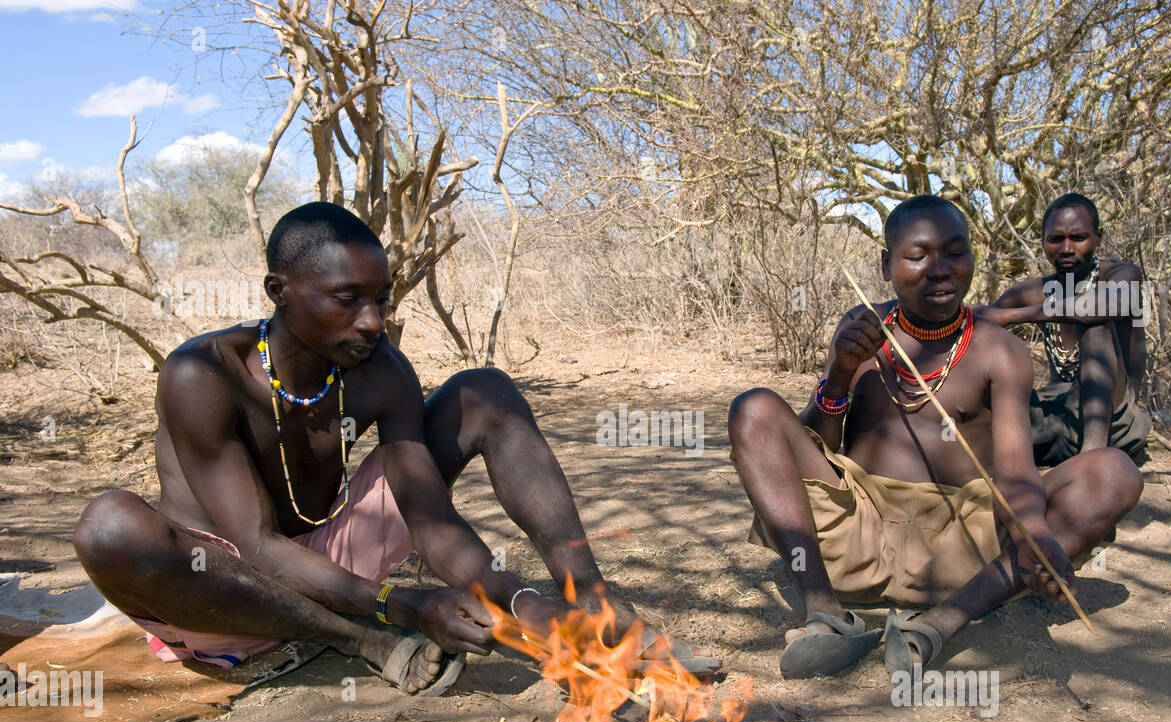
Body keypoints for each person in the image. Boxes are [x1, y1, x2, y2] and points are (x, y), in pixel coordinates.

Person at [73, 202, 709, 695]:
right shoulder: (202, 375)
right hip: (230, 591)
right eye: (347, 300)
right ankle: (362, 640)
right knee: (110, 526)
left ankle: (593, 602)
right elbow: (260, 546)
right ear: (280, 291)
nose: (373, 320)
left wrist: (517, 601)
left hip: (330, 561)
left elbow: (429, 516)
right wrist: (404, 604)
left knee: (482, 391)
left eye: (381, 298)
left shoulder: (380, 369)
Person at [727, 195, 1143, 680]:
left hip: (962, 547)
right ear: (886, 265)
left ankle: (939, 625)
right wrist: (838, 376)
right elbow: (822, 448)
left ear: (972, 258)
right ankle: (826, 614)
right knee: (753, 409)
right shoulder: (863, 329)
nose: (939, 269)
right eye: (918, 255)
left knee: (1115, 473)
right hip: (854, 533)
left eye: (955, 252)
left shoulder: (1001, 352)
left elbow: (1014, 470)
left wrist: (1038, 535)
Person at [976, 193, 1151, 466]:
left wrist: (1013, 315)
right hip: (1054, 416)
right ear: (1043, 241)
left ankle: (1091, 460)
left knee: (1095, 328)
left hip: (1117, 420)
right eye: (1056, 239)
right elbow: (981, 321)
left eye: (1078, 238)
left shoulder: (1122, 274)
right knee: (982, 343)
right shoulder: (1034, 290)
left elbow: (1097, 309)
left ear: (1098, 238)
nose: (1066, 248)